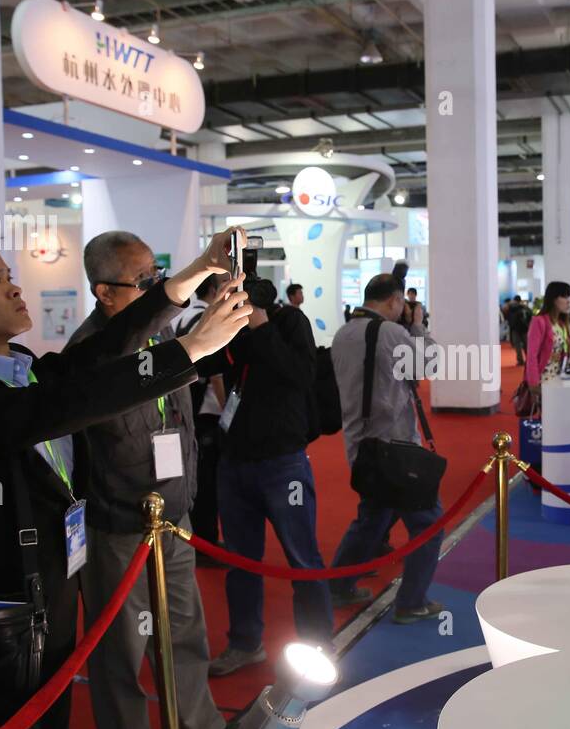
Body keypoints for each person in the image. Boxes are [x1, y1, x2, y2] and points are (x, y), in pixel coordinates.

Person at [0, 212, 249, 729]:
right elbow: (71, 401)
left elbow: (109, 346)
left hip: (52, 603)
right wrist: (190, 347)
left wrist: (196, 272)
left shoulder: (26, 371)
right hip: (3, 623)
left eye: (9, 274)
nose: (13, 287)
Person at [67, 230, 235, 729]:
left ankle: (200, 725)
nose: (159, 288)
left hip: (175, 517)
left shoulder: (163, 334)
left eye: (155, 273)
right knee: (121, 650)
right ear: (104, 292)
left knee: (185, 629)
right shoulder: (91, 354)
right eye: (144, 281)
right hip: (118, 527)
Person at [211, 277, 335, 674]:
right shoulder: (225, 330)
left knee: (303, 559)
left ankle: (318, 647)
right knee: (240, 561)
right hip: (234, 460)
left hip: (283, 461)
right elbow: (209, 368)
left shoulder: (289, 321)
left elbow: (299, 375)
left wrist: (260, 323)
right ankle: (245, 643)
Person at [328, 274, 444, 623]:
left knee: (373, 516)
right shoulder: (392, 333)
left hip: (359, 446)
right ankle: (411, 602)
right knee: (428, 524)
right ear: (394, 301)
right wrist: (419, 325)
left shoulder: (343, 333)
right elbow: (430, 364)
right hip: (394, 448)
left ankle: (339, 585)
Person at [175, 274, 229, 545]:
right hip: (206, 411)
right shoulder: (205, 320)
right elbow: (216, 375)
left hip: (189, 406)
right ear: (213, 288)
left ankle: (200, 536)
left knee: (199, 475)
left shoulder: (185, 317)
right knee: (207, 480)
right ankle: (206, 539)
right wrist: (229, 415)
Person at [525, 281, 570, 412]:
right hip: (544, 379)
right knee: (546, 420)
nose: (568, 301)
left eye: (568, 297)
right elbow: (532, 355)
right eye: (564, 297)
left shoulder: (562, 323)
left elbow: (562, 350)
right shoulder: (539, 321)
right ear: (553, 299)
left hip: (558, 378)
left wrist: (569, 347)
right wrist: (533, 383)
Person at [504, 295, 531, 365]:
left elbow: (506, 315)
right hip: (525, 329)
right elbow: (531, 316)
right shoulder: (525, 308)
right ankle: (529, 360)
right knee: (527, 345)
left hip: (515, 329)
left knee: (517, 345)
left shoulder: (511, 307)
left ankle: (520, 360)